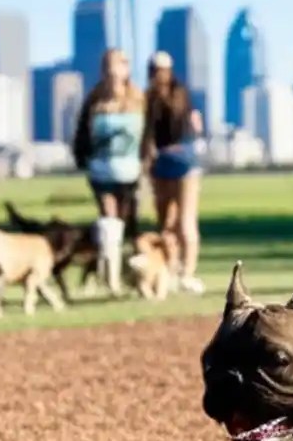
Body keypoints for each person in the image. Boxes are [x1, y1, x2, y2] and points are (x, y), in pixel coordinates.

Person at [72, 48, 147, 292]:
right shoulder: (94, 101)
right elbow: (82, 134)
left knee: (129, 225)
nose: (113, 74)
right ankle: (111, 279)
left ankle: (135, 278)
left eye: (117, 68)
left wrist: (147, 161)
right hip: (101, 171)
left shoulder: (139, 100)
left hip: (131, 172)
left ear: (126, 70)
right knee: (109, 225)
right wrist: (83, 160)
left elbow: (149, 135)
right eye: (108, 69)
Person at [144, 51, 206, 295]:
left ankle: (186, 272)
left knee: (184, 221)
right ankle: (171, 269)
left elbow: (191, 127)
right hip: (165, 163)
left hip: (182, 162)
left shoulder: (179, 95)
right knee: (166, 222)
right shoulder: (150, 98)